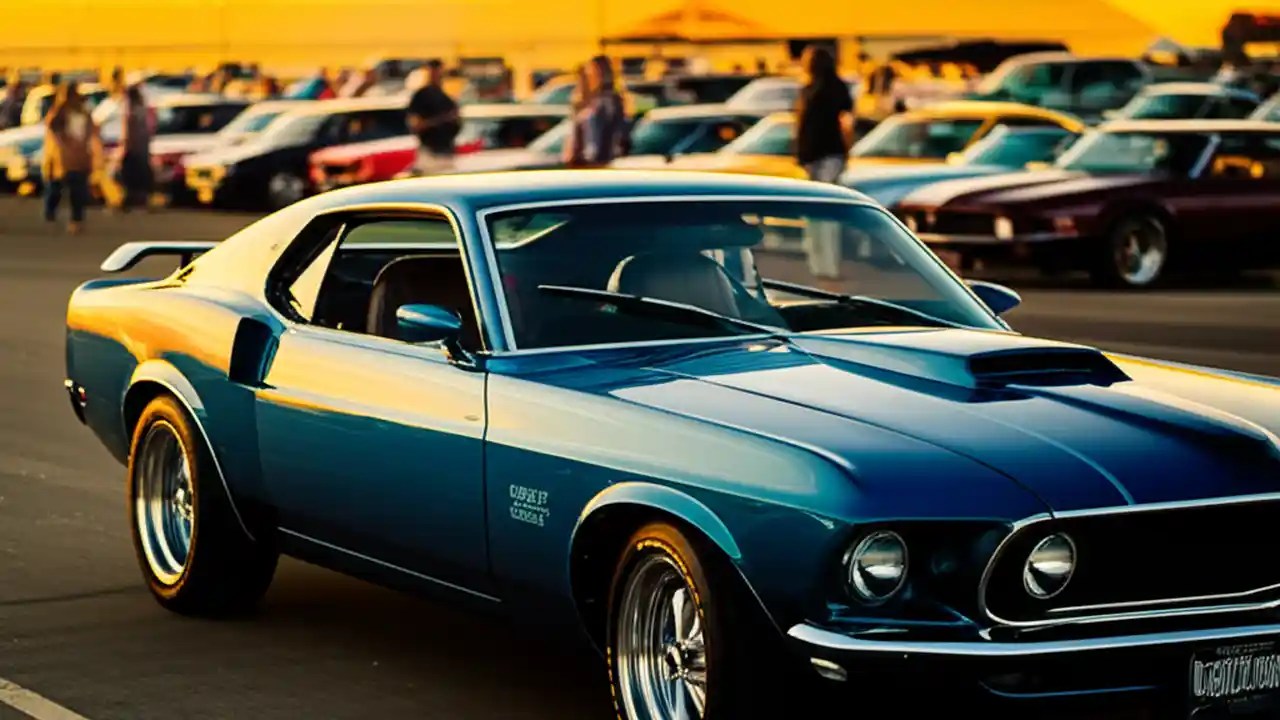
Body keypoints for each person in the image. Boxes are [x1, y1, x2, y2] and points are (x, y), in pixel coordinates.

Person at [794, 45, 854, 289]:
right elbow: (848, 122)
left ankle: (822, 265)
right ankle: (824, 265)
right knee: (823, 213)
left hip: (820, 155)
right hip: (825, 155)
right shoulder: (832, 87)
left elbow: (844, 122)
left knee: (819, 214)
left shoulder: (813, 90)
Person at [42, 82, 97, 234]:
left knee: (78, 190)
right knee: (56, 188)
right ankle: (50, 213)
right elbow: (53, 130)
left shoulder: (83, 112)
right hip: (63, 157)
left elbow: (90, 130)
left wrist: (87, 147)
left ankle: (76, 220)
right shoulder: (59, 112)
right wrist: (64, 144)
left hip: (79, 156)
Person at [406, 59, 459, 176]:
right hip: (429, 152)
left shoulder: (446, 95)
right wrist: (441, 120)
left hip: (446, 151)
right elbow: (416, 125)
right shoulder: (422, 95)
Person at [572, 55, 627, 168]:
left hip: (599, 162)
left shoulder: (608, 101)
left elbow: (607, 137)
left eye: (594, 72)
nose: (590, 76)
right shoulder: (591, 100)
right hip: (589, 161)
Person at [114, 83, 154, 212]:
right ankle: (139, 200)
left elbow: (128, 129)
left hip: (134, 148)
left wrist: (125, 146)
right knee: (139, 174)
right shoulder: (142, 109)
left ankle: (131, 200)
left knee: (131, 175)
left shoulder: (130, 110)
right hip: (142, 147)